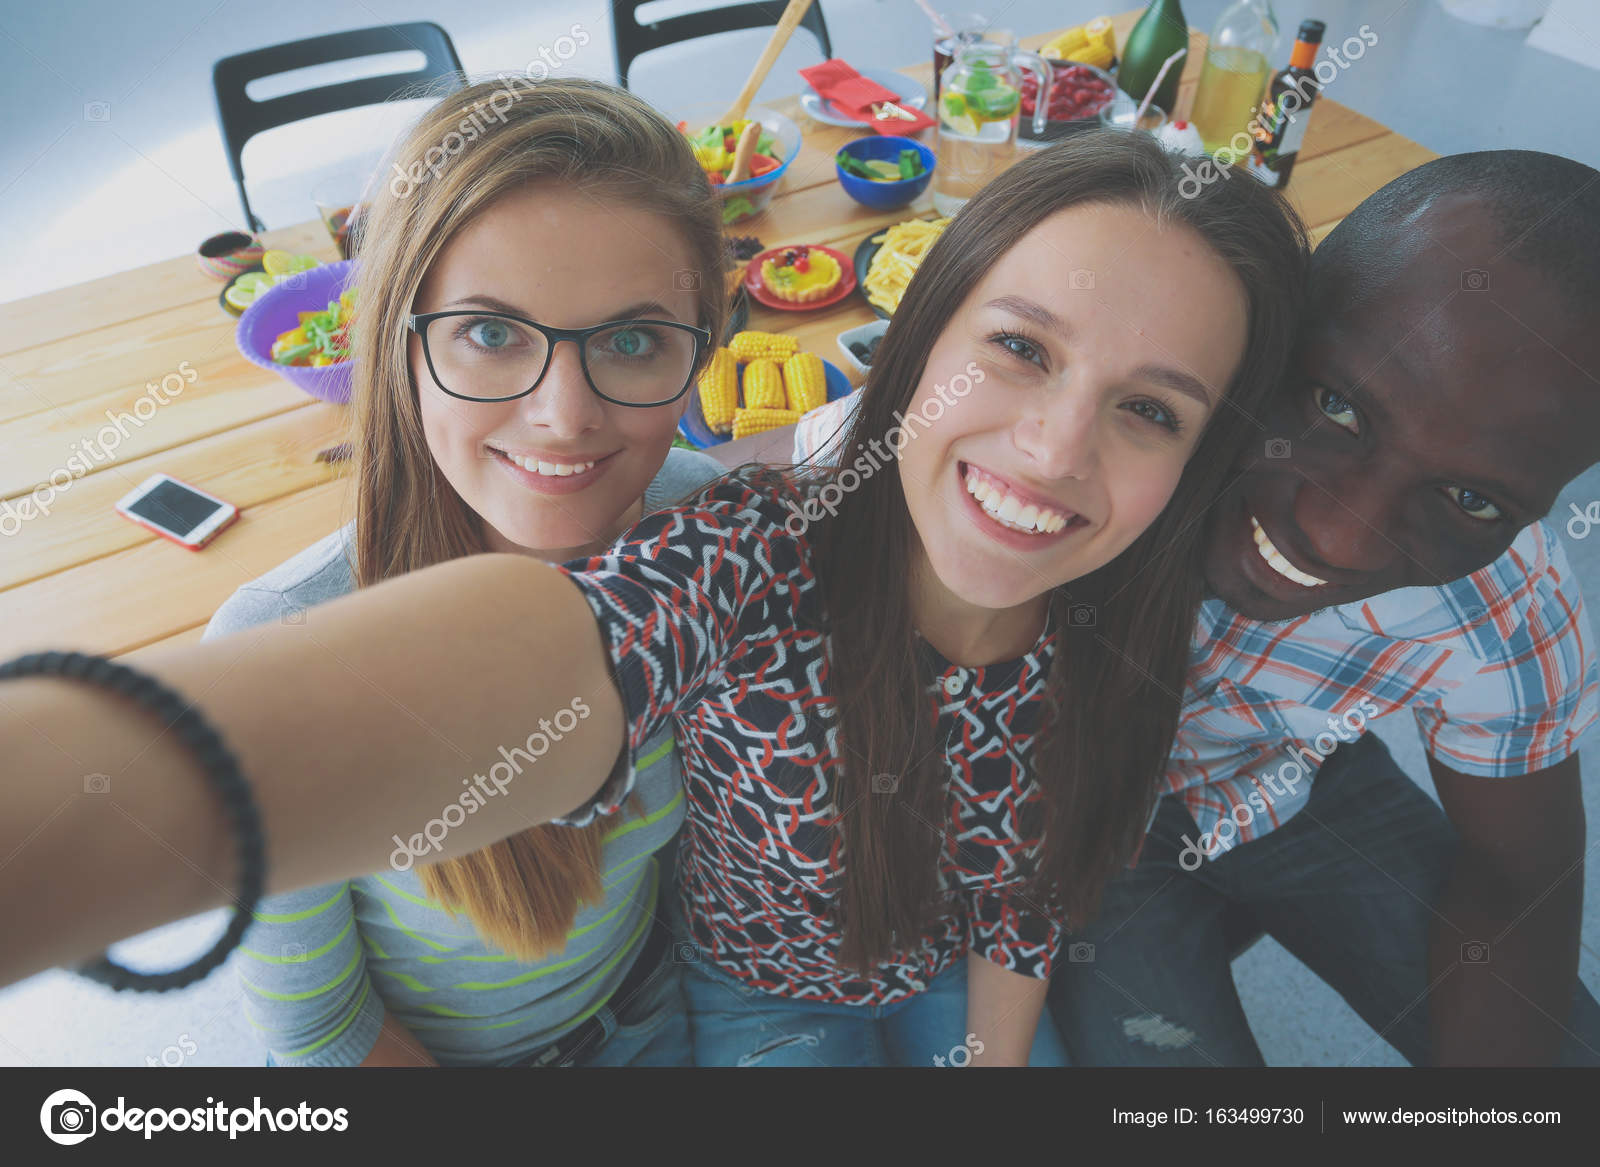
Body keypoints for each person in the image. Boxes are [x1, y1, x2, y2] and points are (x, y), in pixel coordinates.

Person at [0, 133, 1309, 1070]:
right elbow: (580, 644)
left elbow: (1027, 885)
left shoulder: (1109, 622)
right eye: (1020, 347)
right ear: (922, 343)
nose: (1055, 448)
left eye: (1149, 408)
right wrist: (108, 788)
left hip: (770, 998)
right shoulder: (740, 537)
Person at [785, 148, 1600, 1066]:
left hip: (1284, 783)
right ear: (1262, 337)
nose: (1342, 539)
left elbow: (1518, 873)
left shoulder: (1499, 616)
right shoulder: (1009, 472)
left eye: (1473, 500)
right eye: (1334, 406)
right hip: (1056, 819)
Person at [203, 77, 729, 1067]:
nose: (565, 416)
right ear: (399, 345)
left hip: (664, 1015)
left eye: (631, 340)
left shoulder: (706, 530)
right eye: (491, 334)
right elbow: (321, 1033)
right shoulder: (282, 648)